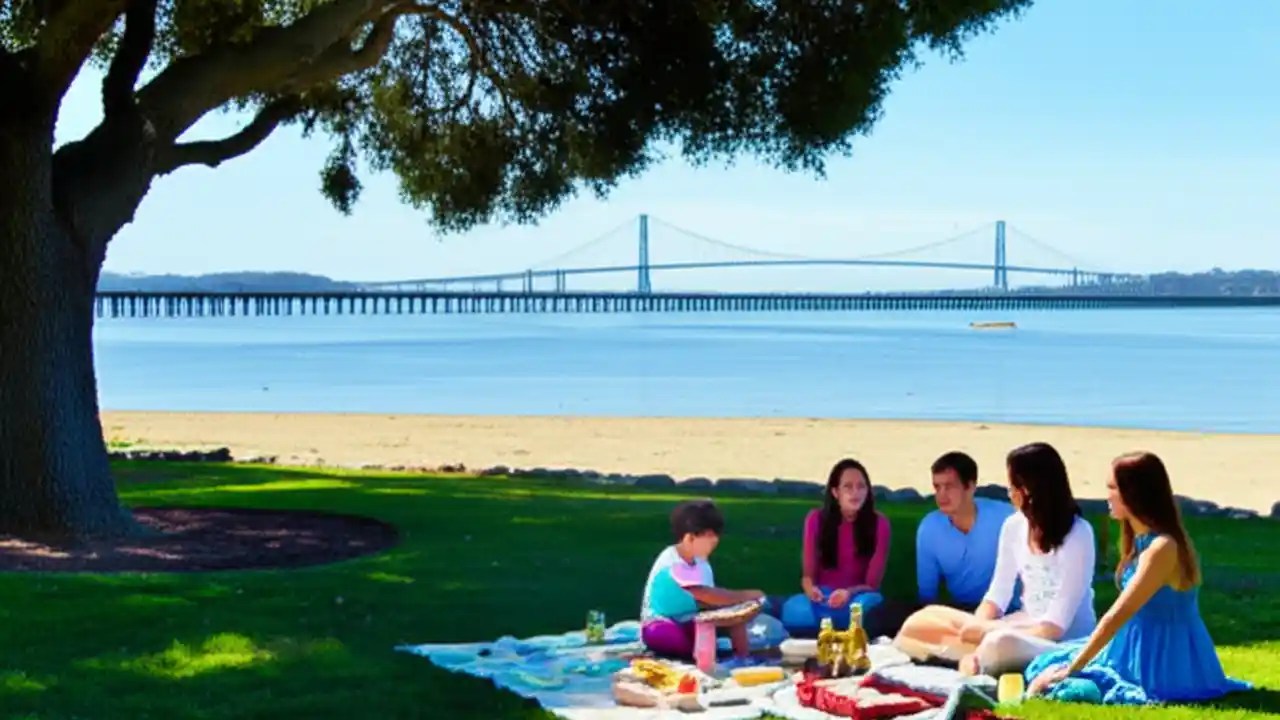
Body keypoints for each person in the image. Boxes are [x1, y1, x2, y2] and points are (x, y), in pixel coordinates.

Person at [1025, 452, 1252, 704]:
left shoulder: (1162, 548)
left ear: (1133, 493)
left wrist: (1073, 668)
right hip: (1131, 643)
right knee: (1040, 666)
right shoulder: (1140, 541)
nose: (1107, 496)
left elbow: (1118, 615)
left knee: (1065, 685)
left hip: (1159, 657)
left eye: (1113, 488)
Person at [893, 442, 1097, 677]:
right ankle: (973, 659)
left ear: (1029, 488)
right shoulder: (1013, 526)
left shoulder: (1078, 533)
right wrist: (976, 626)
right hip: (1016, 624)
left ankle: (968, 659)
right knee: (921, 621)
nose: (1009, 493)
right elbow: (998, 594)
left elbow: (1054, 626)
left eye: (1013, 486)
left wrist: (988, 630)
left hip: (1057, 640)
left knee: (1000, 643)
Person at [778, 458, 892, 637]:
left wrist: (848, 593)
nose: (855, 493)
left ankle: (831, 626)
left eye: (861, 487)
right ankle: (834, 625)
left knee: (868, 608)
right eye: (848, 486)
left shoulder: (879, 523)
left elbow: (872, 584)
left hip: (857, 597)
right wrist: (811, 591)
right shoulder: (815, 519)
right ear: (835, 492)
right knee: (793, 611)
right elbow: (808, 576)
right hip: (824, 597)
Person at [639, 498, 764, 662]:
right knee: (668, 636)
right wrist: (746, 595)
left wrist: (736, 610)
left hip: (689, 619)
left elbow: (708, 602)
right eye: (709, 537)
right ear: (690, 538)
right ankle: (695, 653)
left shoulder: (702, 564)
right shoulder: (673, 562)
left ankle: (741, 658)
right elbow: (706, 594)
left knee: (722, 626)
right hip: (661, 622)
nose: (714, 542)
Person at [916, 451, 1016, 611]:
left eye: (949, 487)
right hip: (961, 611)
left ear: (970, 487)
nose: (941, 495)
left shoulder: (1006, 517)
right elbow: (927, 593)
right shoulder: (929, 528)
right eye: (937, 487)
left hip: (1008, 610)